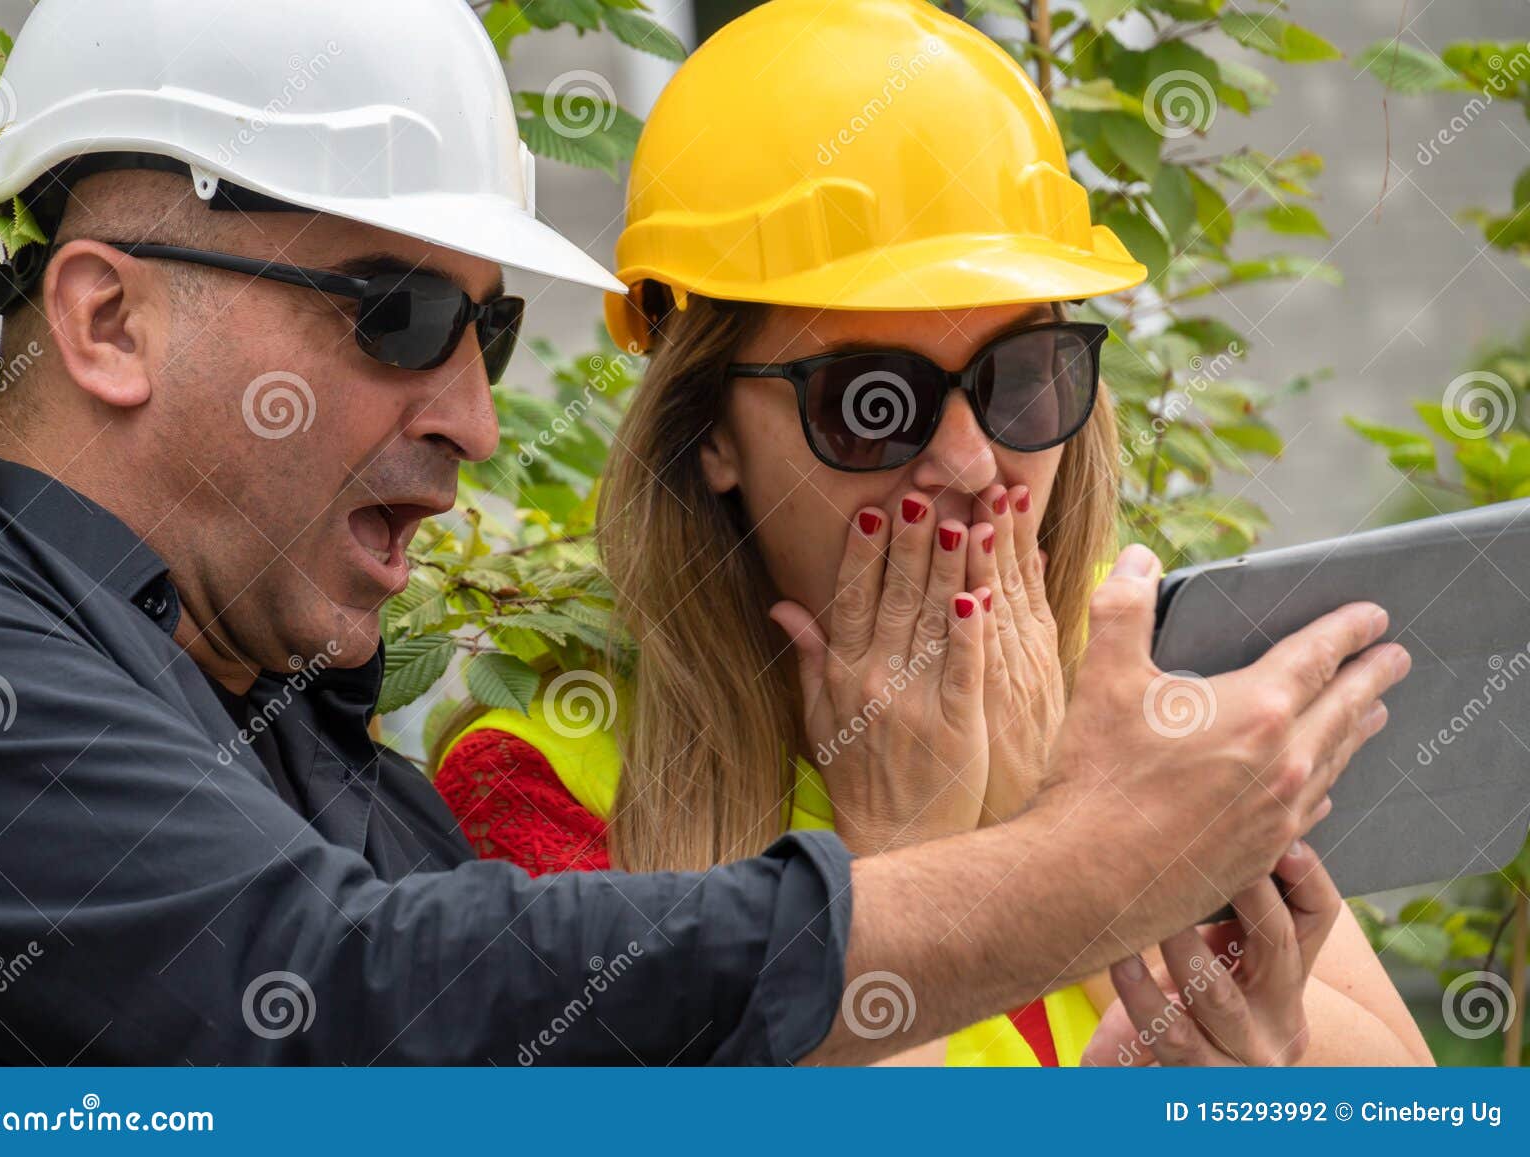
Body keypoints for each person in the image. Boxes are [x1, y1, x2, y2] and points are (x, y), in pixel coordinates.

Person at [0, 0, 1408, 1066]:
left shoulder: (332, 774)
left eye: (490, 331)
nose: (475, 415)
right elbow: (350, 1001)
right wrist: (1092, 866)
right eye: (401, 313)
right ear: (109, 317)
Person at [434, 0, 1431, 1066]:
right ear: (709, 426)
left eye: (1019, 380)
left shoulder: (1138, 680)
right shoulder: (540, 778)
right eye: (871, 399)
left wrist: (1196, 1049)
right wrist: (918, 862)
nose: (967, 464)